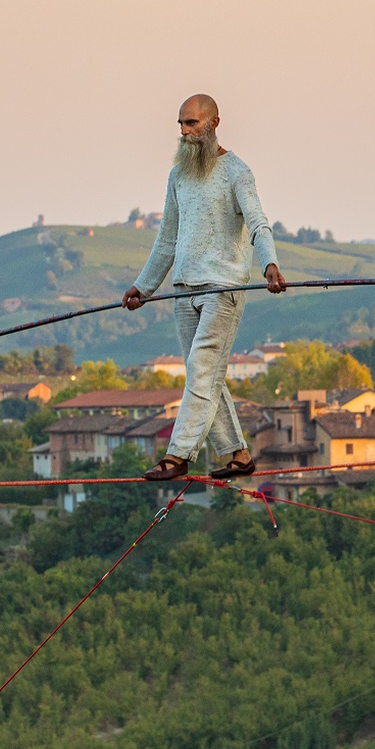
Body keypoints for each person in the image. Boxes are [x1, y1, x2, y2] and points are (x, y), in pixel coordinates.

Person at [124, 94, 286, 481]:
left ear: (214, 123)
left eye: (192, 124)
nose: (184, 132)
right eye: (180, 125)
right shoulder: (177, 176)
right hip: (184, 290)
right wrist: (142, 287)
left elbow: (259, 224)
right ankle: (238, 454)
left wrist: (269, 265)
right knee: (206, 375)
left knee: (200, 370)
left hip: (223, 289)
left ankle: (178, 455)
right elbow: (167, 238)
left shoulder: (236, 171)